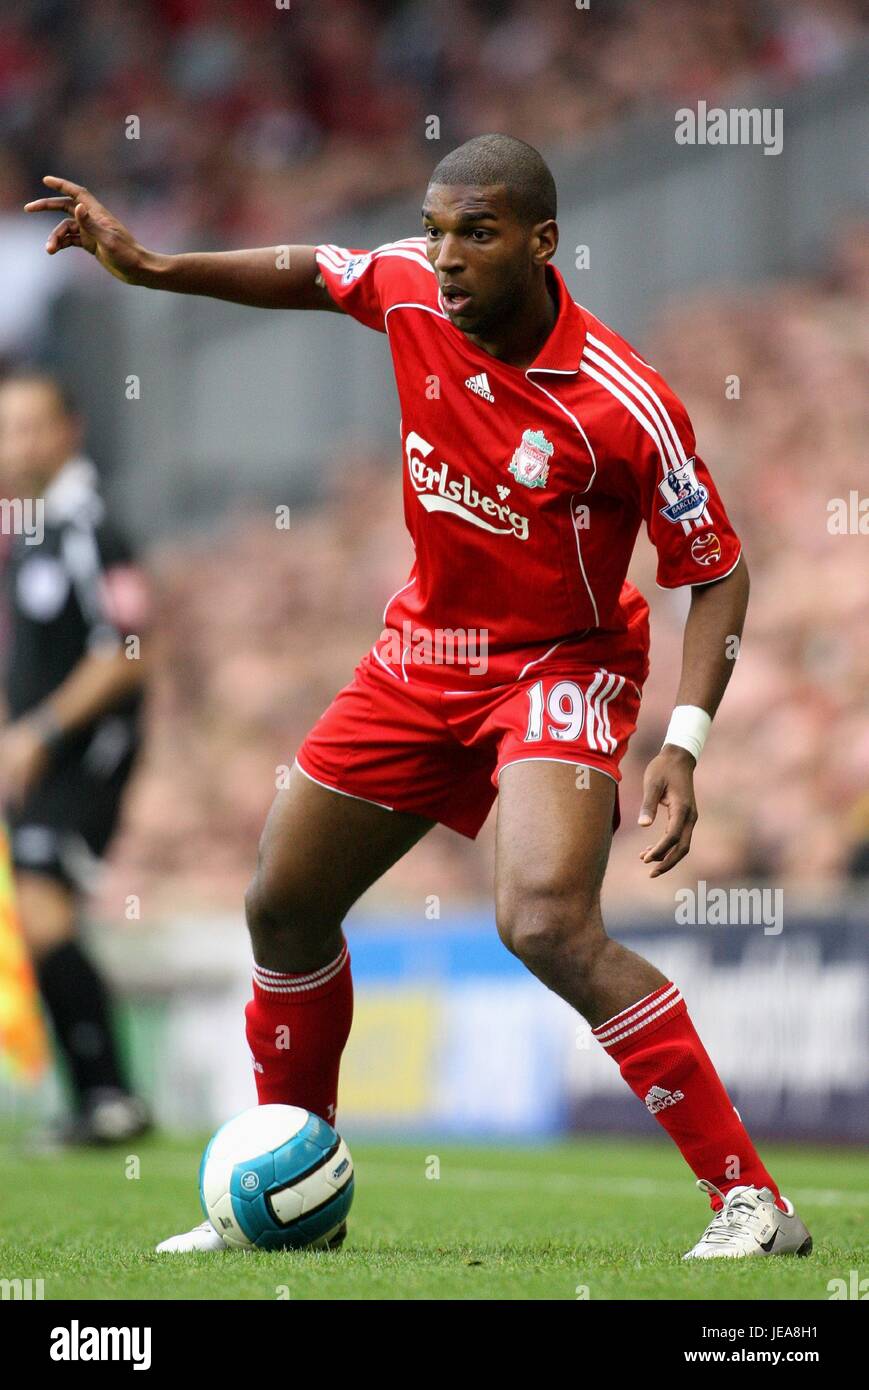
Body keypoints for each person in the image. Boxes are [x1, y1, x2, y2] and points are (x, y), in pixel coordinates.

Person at [26, 133, 811, 1258]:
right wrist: (154, 268)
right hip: (422, 654)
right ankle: (294, 1182)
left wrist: (681, 742)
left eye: (474, 234)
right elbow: (312, 270)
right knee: (283, 903)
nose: (442, 256)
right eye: (435, 229)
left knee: (540, 920)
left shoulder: (620, 404)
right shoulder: (407, 291)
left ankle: (749, 1200)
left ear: (542, 243)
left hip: (559, 665)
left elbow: (716, 571)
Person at [0, 371, 151, 1145]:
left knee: (43, 906)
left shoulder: (91, 525)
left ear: (71, 430)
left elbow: (128, 652)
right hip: (42, 757)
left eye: (31, 425)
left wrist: (40, 733)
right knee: (36, 916)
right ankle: (100, 1098)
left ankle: (110, 1099)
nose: (15, 443)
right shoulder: (31, 531)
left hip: (85, 750)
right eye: (6, 427)